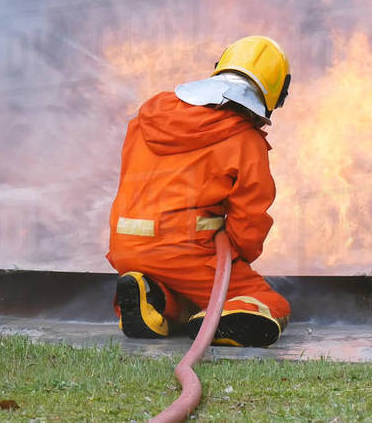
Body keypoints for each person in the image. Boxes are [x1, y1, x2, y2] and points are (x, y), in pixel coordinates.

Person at [106, 36, 291, 347]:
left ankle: (154, 296)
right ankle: (224, 319)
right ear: (274, 92)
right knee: (268, 302)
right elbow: (250, 217)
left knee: (183, 292)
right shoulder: (245, 139)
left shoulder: (147, 118)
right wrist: (237, 257)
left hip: (125, 246)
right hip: (186, 250)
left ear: (218, 69)